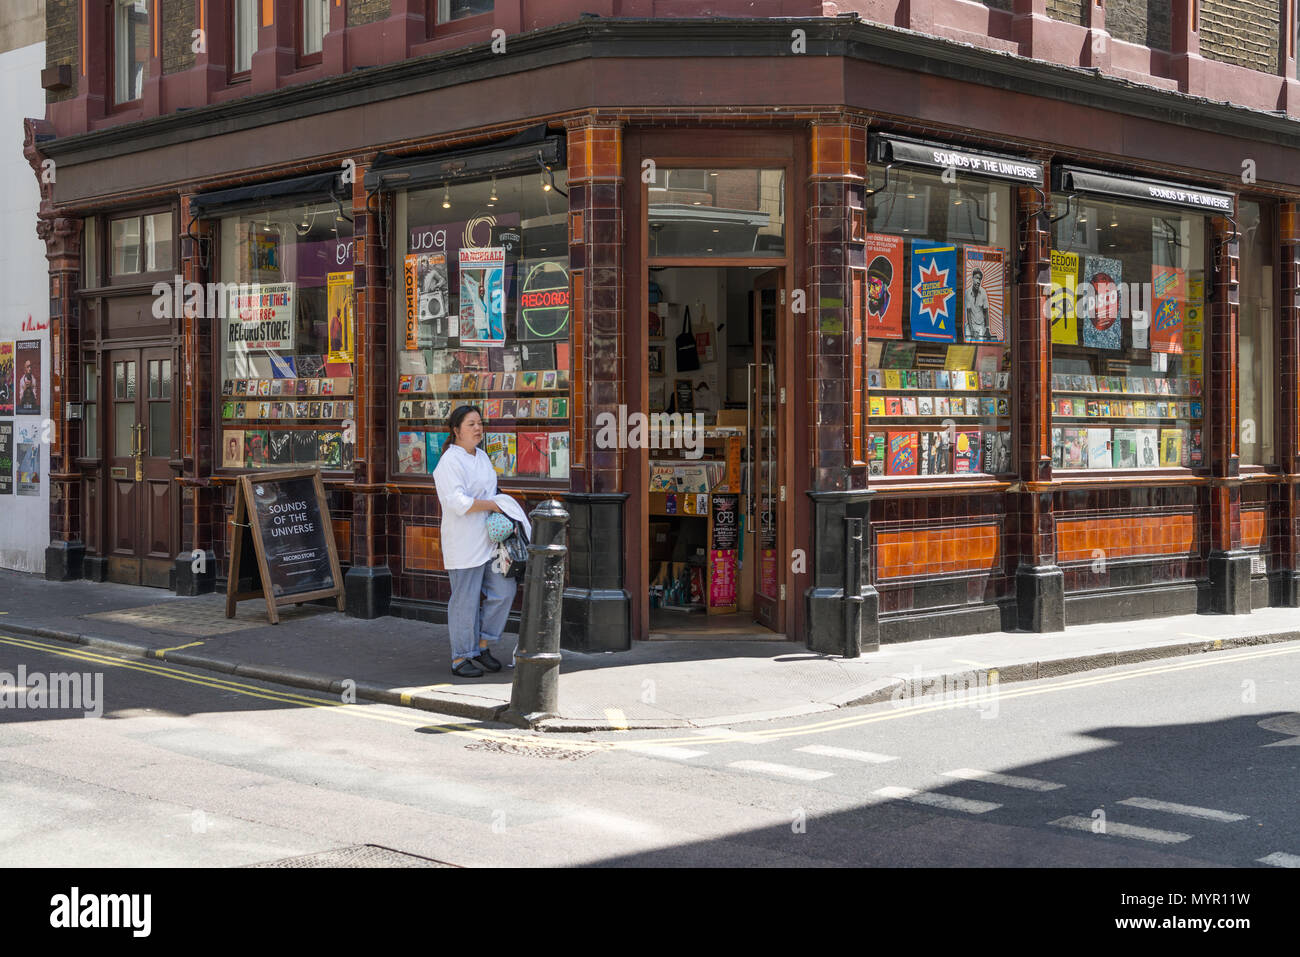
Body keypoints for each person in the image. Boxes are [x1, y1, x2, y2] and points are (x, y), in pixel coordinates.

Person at [432, 405, 518, 677]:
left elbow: (490, 490)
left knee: (504, 592)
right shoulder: (449, 462)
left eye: (479, 423)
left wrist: (498, 507)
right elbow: (457, 503)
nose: (478, 428)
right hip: (464, 542)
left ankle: (481, 645)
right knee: (465, 601)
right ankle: (461, 657)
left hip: (491, 541)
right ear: (456, 431)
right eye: (471, 424)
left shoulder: (481, 457)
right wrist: (492, 504)